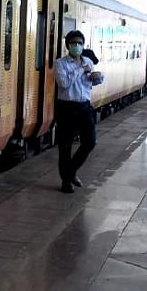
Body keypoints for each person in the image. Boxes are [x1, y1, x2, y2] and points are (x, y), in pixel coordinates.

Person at [55, 30, 104, 193]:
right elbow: (63, 83)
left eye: (79, 43)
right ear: (68, 45)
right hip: (66, 108)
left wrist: (97, 77)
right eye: (73, 43)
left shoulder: (88, 62)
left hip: (84, 107)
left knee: (89, 142)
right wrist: (80, 70)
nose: (77, 46)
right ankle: (66, 183)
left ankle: (70, 172)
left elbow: (93, 81)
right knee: (65, 147)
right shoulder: (61, 64)